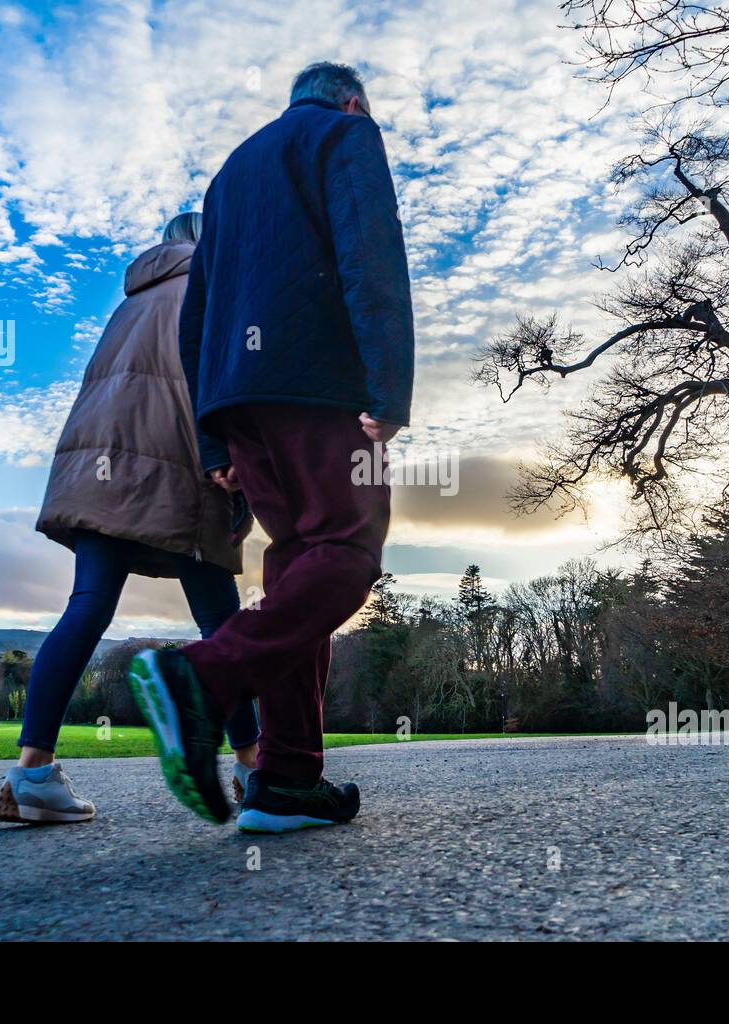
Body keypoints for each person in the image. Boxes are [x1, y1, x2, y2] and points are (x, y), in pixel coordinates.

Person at [125, 61, 414, 833]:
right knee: (348, 551)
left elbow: (199, 316)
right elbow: (371, 259)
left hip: (236, 395)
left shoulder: (228, 176)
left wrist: (214, 431)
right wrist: (390, 387)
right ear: (351, 100)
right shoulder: (346, 134)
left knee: (298, 565)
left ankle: (286, 780)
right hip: (316, 382)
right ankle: (199, 676)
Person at [0, 213, 259, 825]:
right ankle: (253, 765)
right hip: (180, 464)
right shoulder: (210, 284)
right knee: (221, 621)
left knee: (86, 609)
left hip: (97, 470)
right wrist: (235, 462)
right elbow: (217, 378)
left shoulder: (129, 305)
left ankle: (30, 774)